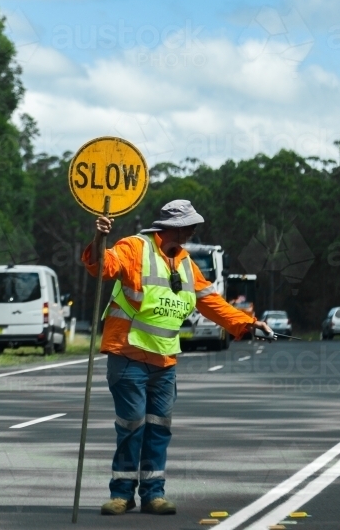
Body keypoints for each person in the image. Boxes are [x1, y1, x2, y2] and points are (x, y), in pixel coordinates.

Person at [82, 199, 273, 515]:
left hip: (165, 362)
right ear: (174, 228)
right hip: (128, 355)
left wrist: (249, 324)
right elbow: (103, 266)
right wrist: (100, 238)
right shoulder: (135, 248)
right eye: (189, 227)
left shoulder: (187, 264)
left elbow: (213, 303)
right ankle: (122, 494)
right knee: (132, 426)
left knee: (158, 428)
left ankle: (154, 494)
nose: (192, 233)